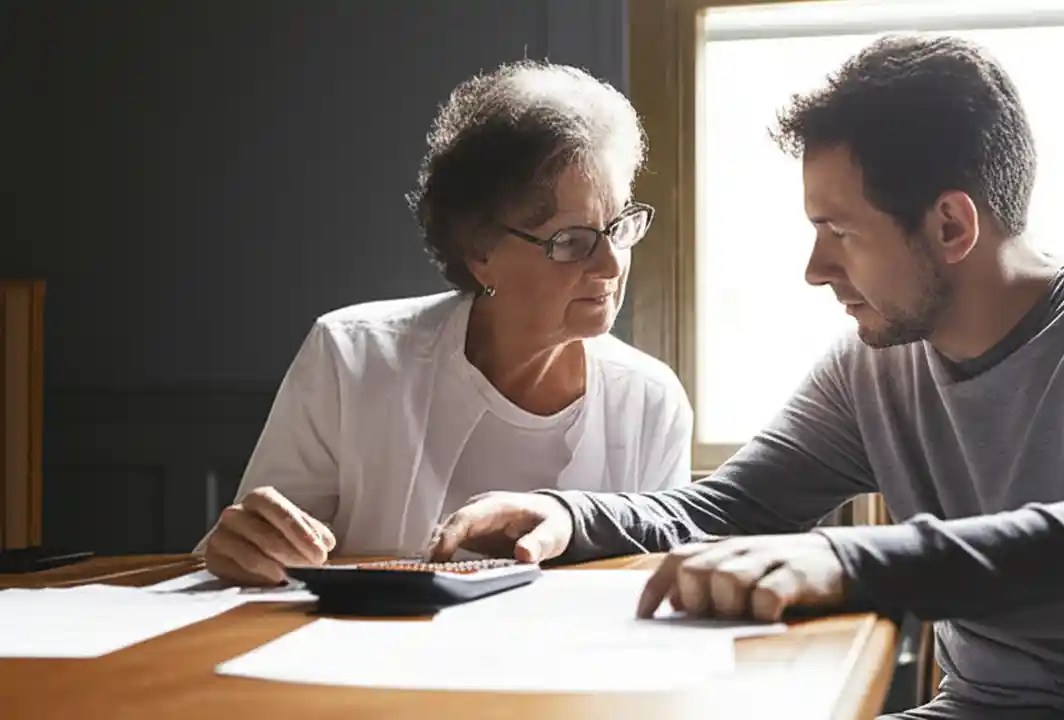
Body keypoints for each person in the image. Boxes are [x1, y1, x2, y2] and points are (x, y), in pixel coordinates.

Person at [427, 35, 1064, 719]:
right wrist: (567, 515)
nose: (814, 268)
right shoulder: (874, 365)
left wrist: (846, 559)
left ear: (950, 224)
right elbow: (721, 511)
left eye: (839, 230)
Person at [197, 61, 693, 587]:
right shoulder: (351, 359)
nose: (612, 265)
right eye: (571, 242)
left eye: (619, 228)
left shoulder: (649, 400)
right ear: (480, 252)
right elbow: (253, 561)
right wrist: (242, 549)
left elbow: (650, 594)